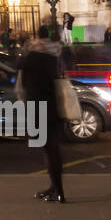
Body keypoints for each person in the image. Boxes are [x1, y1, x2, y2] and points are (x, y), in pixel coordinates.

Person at [16, 24, 68, 203]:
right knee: (52, 149)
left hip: (37, 108)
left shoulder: (29, 58)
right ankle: (54, 187)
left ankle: (58, 191)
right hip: (53, 107)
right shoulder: (51, 60)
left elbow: (19, 77)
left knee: (49, 150)